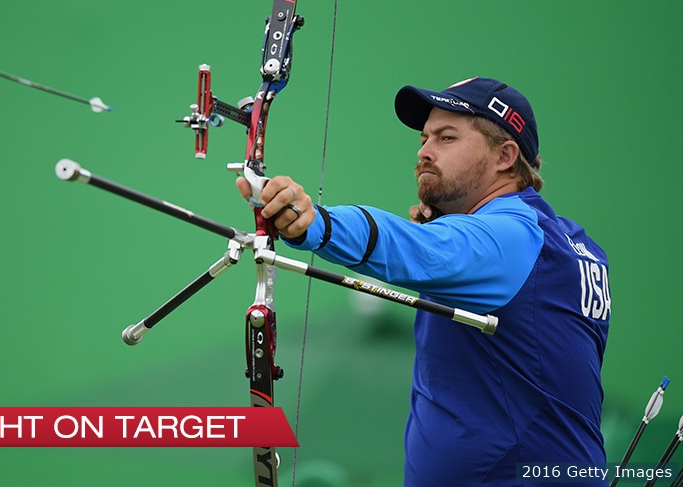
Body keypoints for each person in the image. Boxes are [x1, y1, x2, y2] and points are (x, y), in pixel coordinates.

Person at [237, 76, 611, 485]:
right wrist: (451, 229)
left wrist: (315, 223)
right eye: (424, 137)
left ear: (505, 156)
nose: (424, 152)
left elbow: (410, 247)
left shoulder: (512, 237)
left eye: (446, 138)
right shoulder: (571, 241)